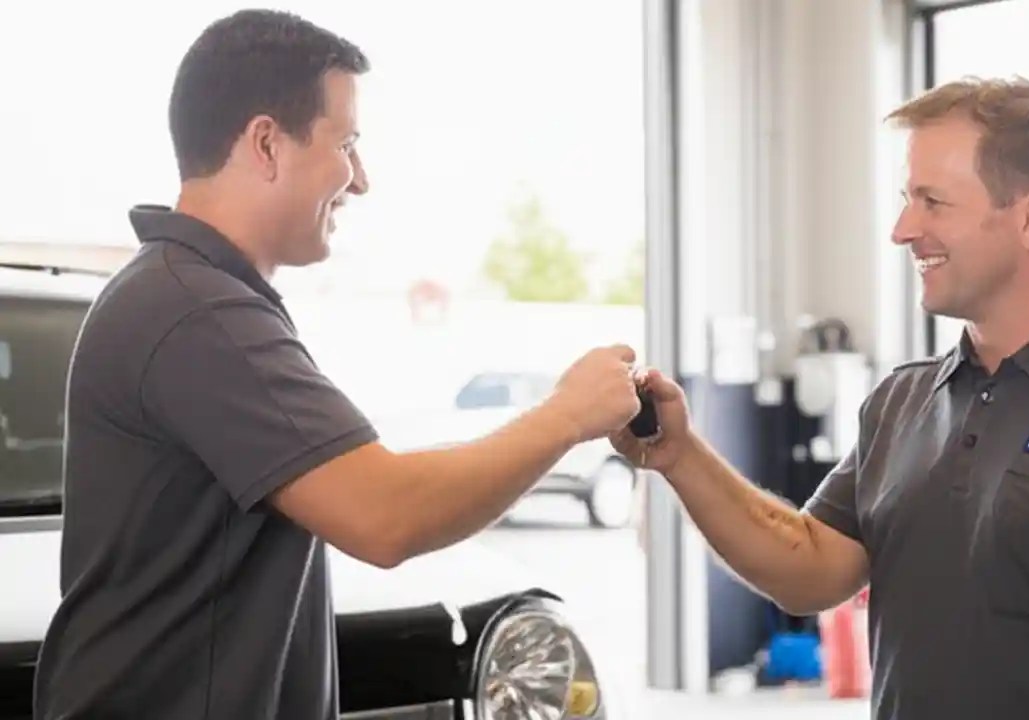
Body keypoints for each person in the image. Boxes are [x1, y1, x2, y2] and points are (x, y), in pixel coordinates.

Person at [33, 10, 640, 720]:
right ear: (266, 143)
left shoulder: (187, 295)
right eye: (347, 143)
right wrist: (567, 416)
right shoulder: (198, 314)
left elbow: (369, 475)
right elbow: (384, 514)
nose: (361, 180)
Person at [613, 76, 1029, 719]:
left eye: (933, 202)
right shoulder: (902, 402)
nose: (903, 229)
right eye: (907, 199)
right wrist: (681, 455)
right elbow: (808, 568)